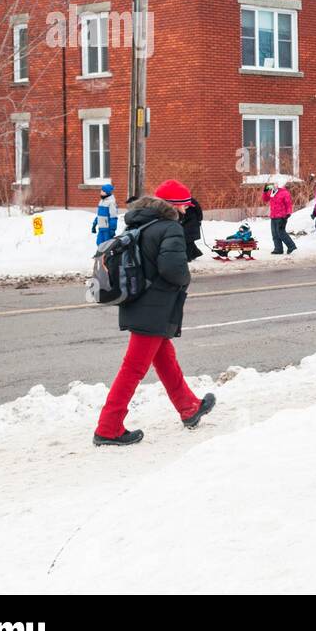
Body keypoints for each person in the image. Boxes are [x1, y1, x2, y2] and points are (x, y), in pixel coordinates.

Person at [93, 179, 215, 446]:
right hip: (154, 306)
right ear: (171, 206)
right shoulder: (169, 228)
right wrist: (185, 279)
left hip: (140, 302)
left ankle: (189, 408)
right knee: (133, 368)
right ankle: (108, 427)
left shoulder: (139, 222)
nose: (185, 211)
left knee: (165, 359)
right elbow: (173, 269)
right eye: (183, 207)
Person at [262, 181, 297, 255]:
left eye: (275, 184)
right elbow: (265, 199)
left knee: (281, 232)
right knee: (274, 233)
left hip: (282, 216)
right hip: (273, 216)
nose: (273, 186)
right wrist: (265, 190)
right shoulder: (271, 192)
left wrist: (288, 214)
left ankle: (291, 246)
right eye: (272, 185)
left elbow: (288, 204)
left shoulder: (284, 192)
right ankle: (278, 249)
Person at [179, 193, 204, 262]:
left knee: (188, 239)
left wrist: (199, 219)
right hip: (185, 222)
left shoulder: (190, 200)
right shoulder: (177, 201)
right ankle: (196, 253)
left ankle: (188, 257)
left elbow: (198, 209)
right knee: (188, 239)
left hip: (193, 221)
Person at [92, 183, 118, 247]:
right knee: (99, 243)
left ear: (107, 192)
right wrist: (95, 223)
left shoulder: (111, 203)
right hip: (101, 228)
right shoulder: (101, 201)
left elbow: (113, 217)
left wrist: (112, 229)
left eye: (103, 191)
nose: (101, 191)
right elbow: (99, 215)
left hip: (107, 229)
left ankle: (107, 257)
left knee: (107, 246)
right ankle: (100, 256)